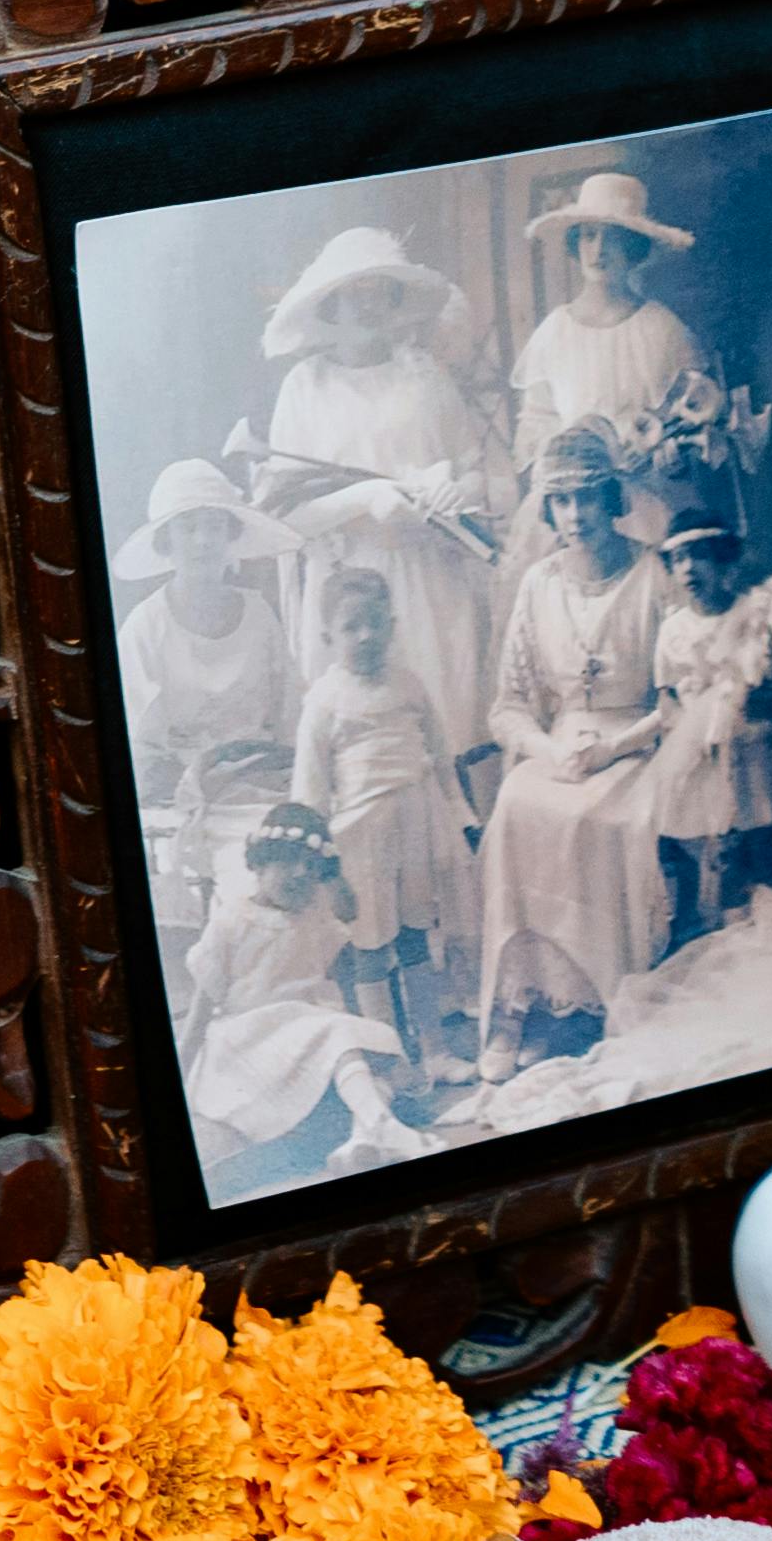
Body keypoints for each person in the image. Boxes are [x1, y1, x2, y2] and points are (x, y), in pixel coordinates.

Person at [257, 227, 500, 765]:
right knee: (359, 738)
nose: (366, 307)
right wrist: (366, 498)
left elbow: (473, 472)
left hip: (429, 578)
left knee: (441, 725)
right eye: (353, 294)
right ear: (331, 304)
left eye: (378, 293)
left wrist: (453, 492)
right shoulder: (306, 387)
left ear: (395, 301)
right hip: (348, 579)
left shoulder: (425, 375)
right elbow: (287, 515)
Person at [473, 431, 678, 1062]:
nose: (575, 515)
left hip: (641, 742)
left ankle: (599, 998)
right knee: (516, 805)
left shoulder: (655, 573)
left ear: (612, 499)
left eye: (587, 497)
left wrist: (614, 749)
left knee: (605, 817)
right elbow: (508, 705)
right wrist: (545, 750)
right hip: (561, 745)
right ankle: (523, 1002)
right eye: (561, 501)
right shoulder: (538, 583)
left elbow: (679, 700)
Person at [289, 564, 469, 1070]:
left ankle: (434, 1050)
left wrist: (461, 819)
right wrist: (327, 869)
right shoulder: (323, 700)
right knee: (370, 948)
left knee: (416, 938)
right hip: (359, 841)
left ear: (391, 626)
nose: (365, 636)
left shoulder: (409, 685)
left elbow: (441, 758)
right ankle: (391, 1061)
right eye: (351, 626)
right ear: (328, 636)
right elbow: (310, 791)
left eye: (375, 623)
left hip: (415, 827)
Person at [181, 800, 415, 1185]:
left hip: (305, 1029)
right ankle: (380, 1124)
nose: (300, 874)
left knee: (368, 1042)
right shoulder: (231, 920)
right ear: (259, 864)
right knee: (337, 1034)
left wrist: (333, 874)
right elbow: (200, 1010)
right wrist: (182, 1075)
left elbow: (348, 920)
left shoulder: (316, 916)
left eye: (311, 868)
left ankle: (363, 1138)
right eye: (288, 862)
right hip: (249, 1036)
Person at [117, 459, 305, 936]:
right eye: (189, 528)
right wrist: (201, 780)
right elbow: (142, 748)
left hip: (264, 785)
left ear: (230, 536)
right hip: (185, 799)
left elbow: (289, 715)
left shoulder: (260, 615)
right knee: (244, 896)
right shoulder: (145, 628)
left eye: (214, 526)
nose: (203, 541)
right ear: (167, 541)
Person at [644, 509, 772, 938]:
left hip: (762, 751)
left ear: (724, 560)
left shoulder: (755, 614)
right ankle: (737, 936)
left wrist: (768, 698)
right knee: (724, 853)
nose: (689, 569)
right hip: (707, 759)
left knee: (767, 844)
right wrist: (688, 736)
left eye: (700, 555)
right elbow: (668, 697)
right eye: (679, 559)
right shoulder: (674, 629)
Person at [512, 172, 722, 490]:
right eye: (589, 236)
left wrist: (673, 459)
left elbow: (692, 415)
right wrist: (565, 460)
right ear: (576, 243)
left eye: (612, 238)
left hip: (650, 490)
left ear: (632, 246)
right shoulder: (554, 332)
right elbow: (537, 424)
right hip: (580, 495)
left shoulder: (663, 329)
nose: (598, 250)